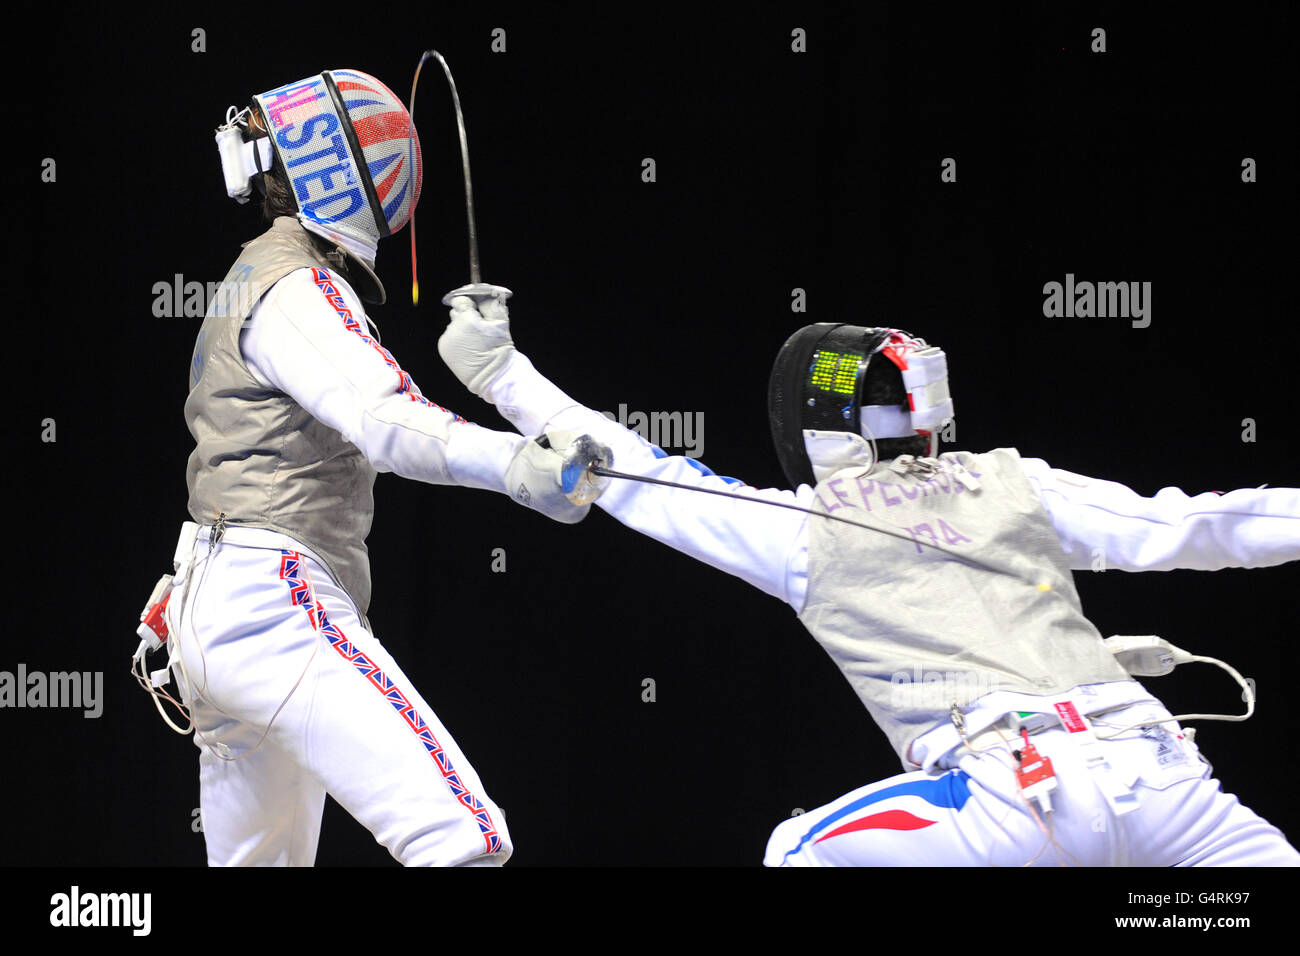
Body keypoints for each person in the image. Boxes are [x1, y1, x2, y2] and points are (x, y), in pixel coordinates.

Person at [436, 287, 1300, 866]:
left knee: (800, 853)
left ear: (816, 426)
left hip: (1009, 804)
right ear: (927, 413)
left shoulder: (806, 531)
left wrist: (504, 375)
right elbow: (1199, 524)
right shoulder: (1017, 483)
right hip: (1167, 785)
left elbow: (634, 475)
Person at [142, 69, 606, 867]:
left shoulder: (256, 277)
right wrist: (517, 462)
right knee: (464, 838)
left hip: (211, 608)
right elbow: (387, 422)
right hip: (271, 607)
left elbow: (327, 439)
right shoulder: (297, 287)